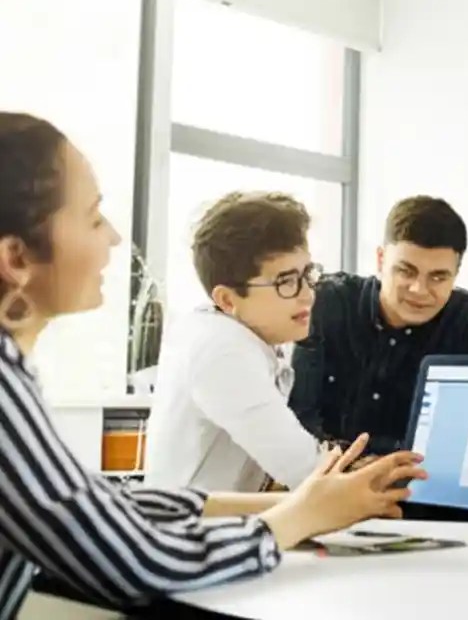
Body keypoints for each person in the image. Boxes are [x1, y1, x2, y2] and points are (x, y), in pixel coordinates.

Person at [0, 112, 426, 617]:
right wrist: (295, 517)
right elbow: (132, 558)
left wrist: (302, 507)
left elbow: (103, 505)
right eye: (93, 217)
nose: (113, 237)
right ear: (17, 258)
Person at [145, 191, 327, 493]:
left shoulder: (241, 336)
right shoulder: (221, 347)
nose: (307, 293)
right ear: (228, 299)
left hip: (220, 528)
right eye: (286, 281)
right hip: (188, 535)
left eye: (308, 274)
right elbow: (306, 471)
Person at [289, 196, 468, 455]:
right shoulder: (327, 302)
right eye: (406, 271)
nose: (419, 290)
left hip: (418, 481)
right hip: (327, 475)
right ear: (380, 259)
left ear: (456, 273)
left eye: (438, 277)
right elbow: (299, 418)